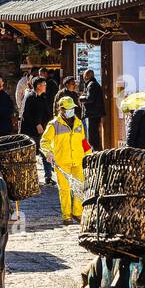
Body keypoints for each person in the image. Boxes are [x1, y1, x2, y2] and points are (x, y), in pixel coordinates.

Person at [40, 95, 91, 224]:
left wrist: (89, 154)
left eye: (72, 108)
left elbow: (83, 141)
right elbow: (45, 142)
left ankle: (77, 213)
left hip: (78, 160)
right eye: (68, 109)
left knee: (79, 187)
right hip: (62, 162)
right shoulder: (54, 125)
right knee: (65, 189)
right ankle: (66, 216)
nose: (70, 111)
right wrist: (48, 154)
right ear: (60, 110)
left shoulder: (78, 122)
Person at [22, 77, 56, 186]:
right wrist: (37, 124)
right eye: (43, 84)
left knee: (45, 153)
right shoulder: (30, 97)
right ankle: (29, 178)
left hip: (43, 130)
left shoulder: (43, 97)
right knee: (29, 155)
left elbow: (47, 113)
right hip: (30, 131)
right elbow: (26, 114)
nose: (45, 86)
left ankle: (48, 177)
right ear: (38, 86)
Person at [82, 69, 107, 150]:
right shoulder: (95, 84)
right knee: (94, 134)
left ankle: (94, 152)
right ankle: (96, 151)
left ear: (87, 76)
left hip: (92, 114)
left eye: (84, 75)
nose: (83, 77)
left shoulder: (91, 85)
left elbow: (90, 99)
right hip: (96, 114)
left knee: (92, 136)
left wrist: (81, 98)